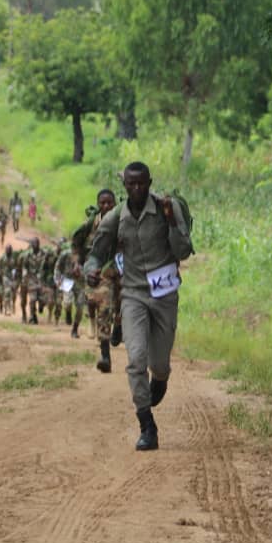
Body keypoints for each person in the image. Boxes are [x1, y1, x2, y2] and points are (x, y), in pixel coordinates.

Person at [84, 163, 193, 451]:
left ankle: (160, 379)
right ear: (125, 186)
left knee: (158, 363)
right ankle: (147, 425)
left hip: (165, 294)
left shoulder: (165, 209)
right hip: (133, 294)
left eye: (141, 184)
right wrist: (92, 269)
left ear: (149, 183)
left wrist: (171, 221)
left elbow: (183, 250)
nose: (136, 189)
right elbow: (97, 252)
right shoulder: (116, 217)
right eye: (130, 185)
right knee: (135, 359)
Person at [76, 189, 122, 371]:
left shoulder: (123, 222)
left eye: (110, 203)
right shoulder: (90, 224)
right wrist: (80, 265)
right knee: (103, 308)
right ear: (98, 204)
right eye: (103, 203)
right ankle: (105, 355)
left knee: (125, 302)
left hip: (123, 270)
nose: (106, 206)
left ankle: (119, 326)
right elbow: (77, 246)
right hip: (99, 271)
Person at [54, 240, 85, 337]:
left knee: (80, 307)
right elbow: (58, 267)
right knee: (67, 303)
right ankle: (68, 313)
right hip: (67, 280)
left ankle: (75, 329)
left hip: (80, 282)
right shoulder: (65, 254)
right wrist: (57, 278)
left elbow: (89, 267)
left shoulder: (84, 255)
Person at [18, 237, 49, 324]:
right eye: (33, 244)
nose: (35, 245)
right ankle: (28, 316)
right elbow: (24, 266)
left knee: (43, 299)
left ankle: (36, 311)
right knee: (30, 299)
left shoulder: (44, 254)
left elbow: (49, 265)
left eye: (36, 243)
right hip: (30, 278)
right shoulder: (27, 255)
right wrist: (25, 274)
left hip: (40, 279)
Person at [0, 244, 20, 316]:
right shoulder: (2, 258)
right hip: (5, 277)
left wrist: (16, 272)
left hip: (13, 277)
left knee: (14, 293)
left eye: (9, 250)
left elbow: (17, 267)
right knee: (7, 292)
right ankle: (7, 309)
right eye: (7, 250)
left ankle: (13, 305)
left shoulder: (14, 258)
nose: (8, 251)